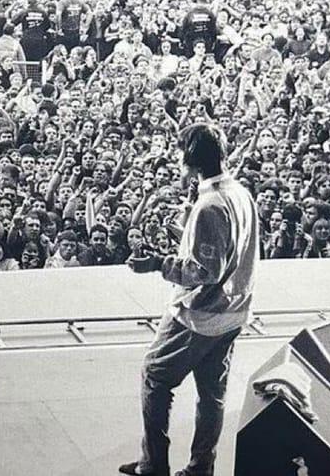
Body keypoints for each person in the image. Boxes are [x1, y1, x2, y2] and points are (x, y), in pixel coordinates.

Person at [120, 124, 259, 476]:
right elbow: (229, 251)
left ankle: (153, 466)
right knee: (212, 395)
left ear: (190, 160)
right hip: (233, 312)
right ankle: (201, 469)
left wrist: (157, 263)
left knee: (154, 375)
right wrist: (185, 235)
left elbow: (204, 272)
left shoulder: (209, 205)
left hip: (200, 316)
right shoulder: (240, 193)